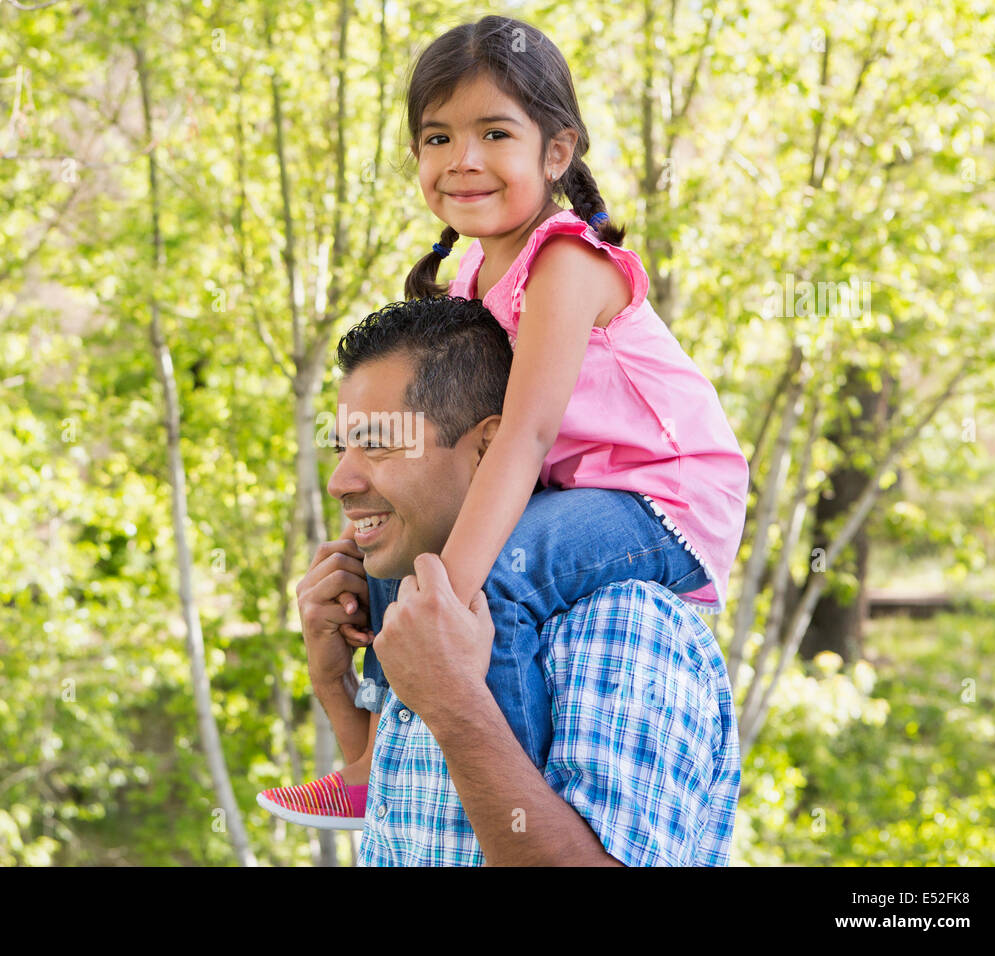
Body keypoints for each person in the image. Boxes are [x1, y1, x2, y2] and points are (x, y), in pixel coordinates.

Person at [258, 14, 748, 827]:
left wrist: (447, 588)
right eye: (438, 137)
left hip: (663, 501)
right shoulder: (469, 284)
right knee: (394, 555)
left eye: (495, 132)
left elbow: (521, 436)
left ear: (557, 153)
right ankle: (372, 759)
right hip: (579, 493)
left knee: (501, 569)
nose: (464, 160)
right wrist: (411, 569)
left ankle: (510, 804)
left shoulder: (564, 262)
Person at [288, 297, 741, 864]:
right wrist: (334, 682)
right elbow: (410, 810)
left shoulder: (623, 623)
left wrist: (457, 706)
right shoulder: (432, 617)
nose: (340, 481)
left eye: (377, 444)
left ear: (486, 447)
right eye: (340, 447)